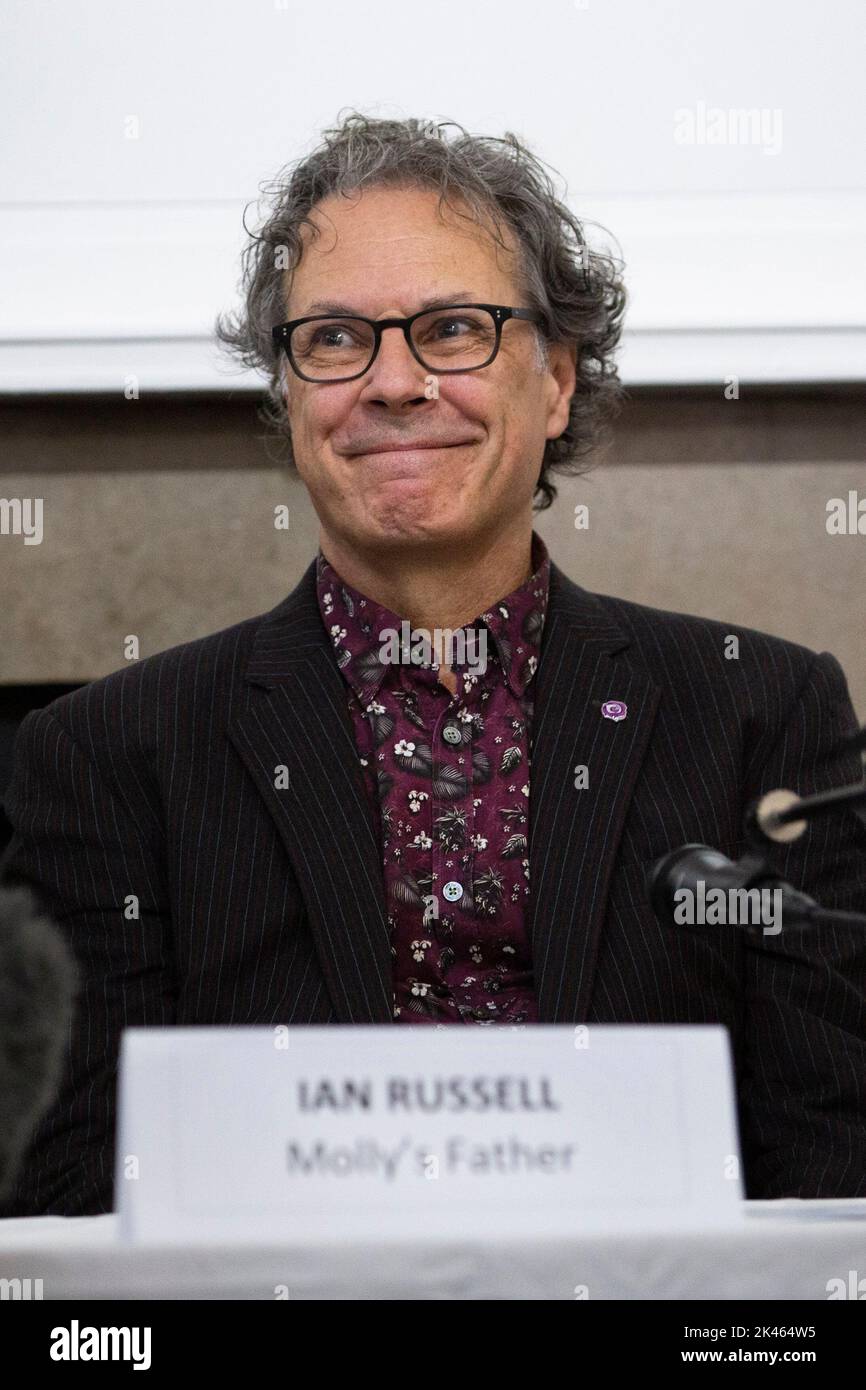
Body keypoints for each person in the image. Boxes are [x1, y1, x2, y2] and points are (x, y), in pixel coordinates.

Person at [2, 113, 865, 1217]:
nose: (394, 382)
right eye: (332, 338)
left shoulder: (763, 715)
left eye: (453, 329)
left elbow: (831, 1162)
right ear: (288, 393)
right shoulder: (109, 753)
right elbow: (76, 1195)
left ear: (554, 383)